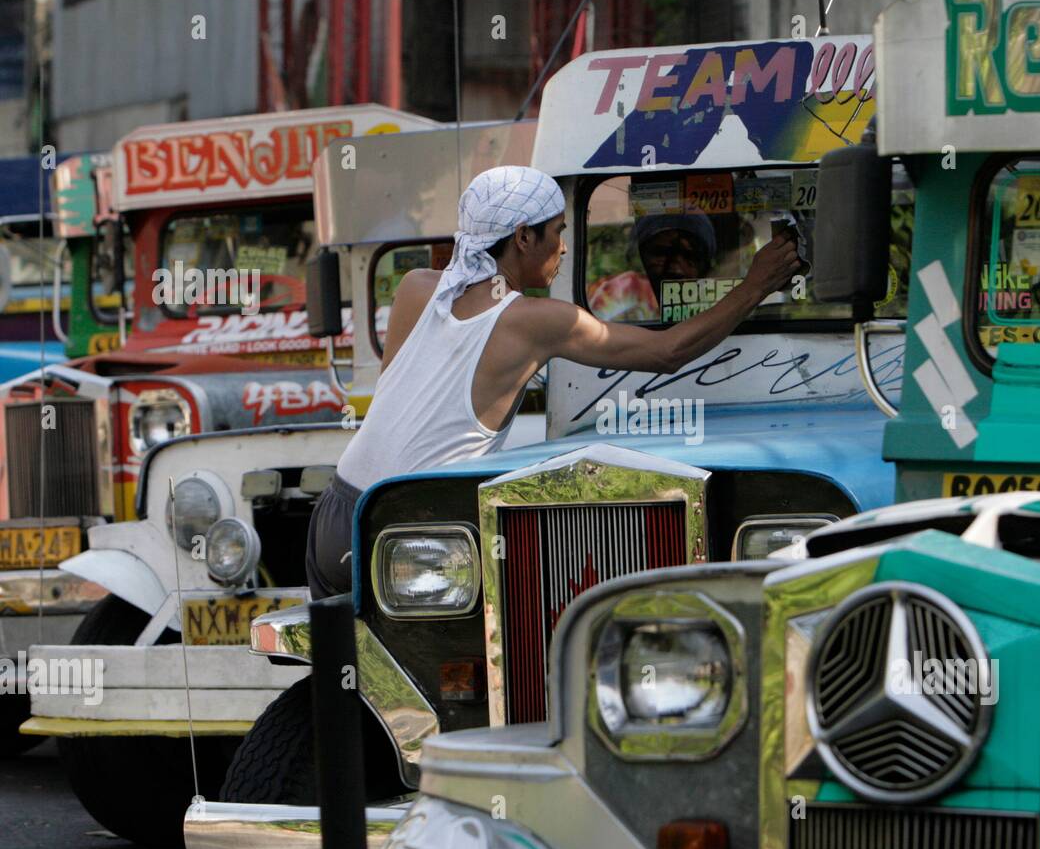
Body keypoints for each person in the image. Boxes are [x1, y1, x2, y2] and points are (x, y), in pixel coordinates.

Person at [305, 165, 801, 599]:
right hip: (405, 533)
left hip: (336, 512)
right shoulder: (537, 322)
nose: (564, 247)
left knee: (344, 688)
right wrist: (756, 285)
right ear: (523, 238)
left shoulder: (416, 288)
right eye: (558, 232)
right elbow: (668, 352)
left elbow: (405, 401)